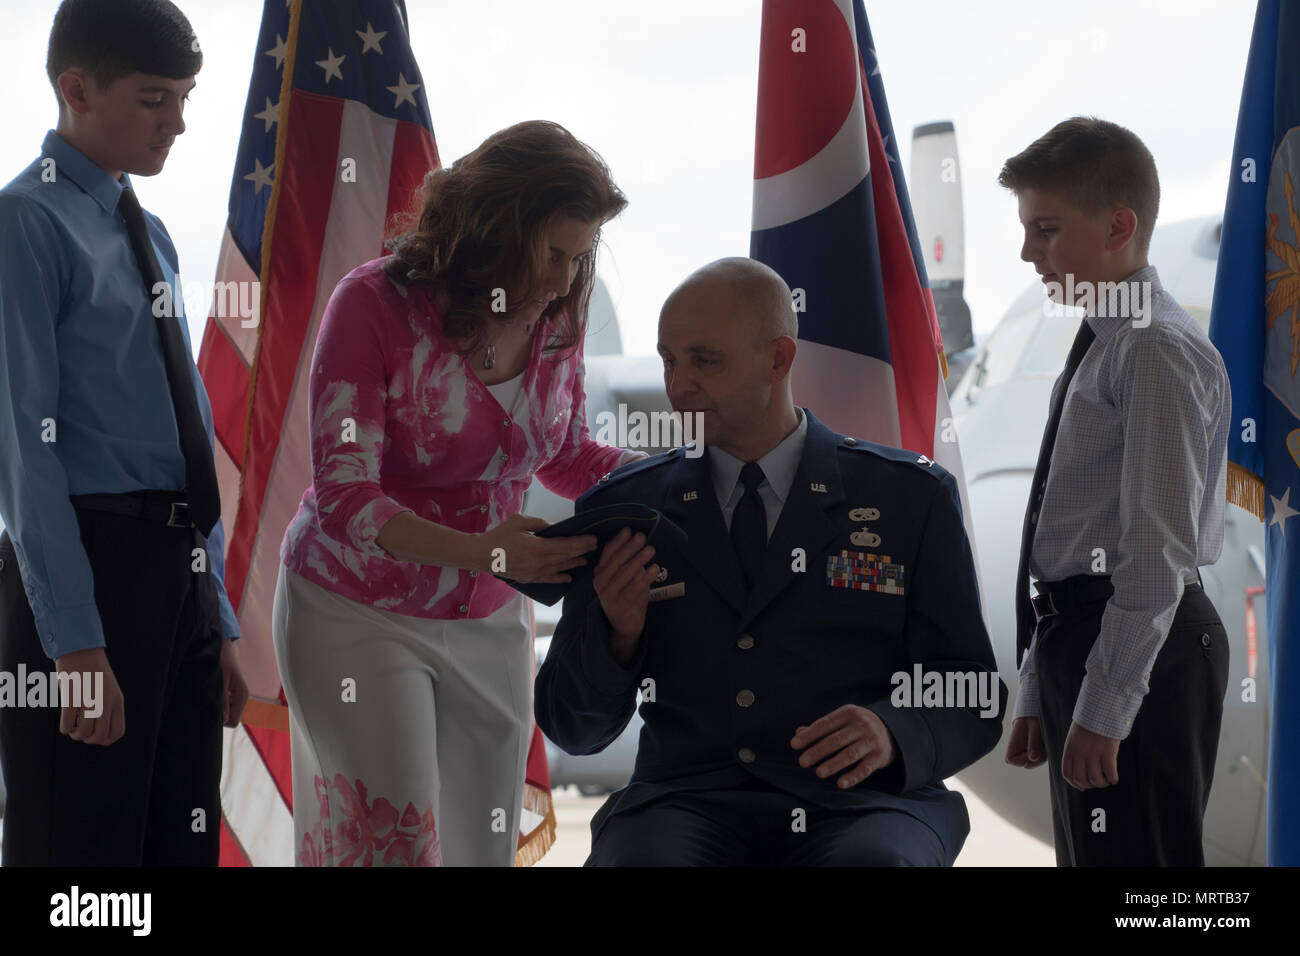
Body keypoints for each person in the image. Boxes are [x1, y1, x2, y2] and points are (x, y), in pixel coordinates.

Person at [535, 257, 1005, 866]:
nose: (679, 386)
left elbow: (969, 692)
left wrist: (894, 730)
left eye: (705, 361)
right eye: (669, 360)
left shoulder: (906, 499)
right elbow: (573, 727)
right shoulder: (626, 509)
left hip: (861, 801)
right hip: (688, 799)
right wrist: (615, 639)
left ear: (779, 359)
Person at [273, 120, 640, 867]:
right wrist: (483, 550)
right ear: (495, 229)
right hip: (356, 610)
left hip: (488, 616)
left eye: (580, 257)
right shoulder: (372, 305)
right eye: (553, 253)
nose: (568, 280)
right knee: (393, 847)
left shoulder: (557, 317)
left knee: (483, 848)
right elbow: (345, 495)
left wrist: (686, 473)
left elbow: (565, 457)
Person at [0, 0, 248, 866]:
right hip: (90, 571)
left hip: (176, 579)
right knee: (83, 868)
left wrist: (211, 618)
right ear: (75, 88)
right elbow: (25, 457)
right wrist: (76, 640)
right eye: (153, 98)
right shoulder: (23, 225)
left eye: (184, 96)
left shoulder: (155, 237)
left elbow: (186, 437)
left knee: (176, 851)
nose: (178, 121)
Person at [999, 117, 1232, 866]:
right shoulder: (1107, 341)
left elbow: (1155, 552)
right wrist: (1043, 682)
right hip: (1091, 639)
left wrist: (1107, 704)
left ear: (1118, 226)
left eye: (1045, 228)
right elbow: (1071, 536)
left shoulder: (1153, 349)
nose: (1028, 251)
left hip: (1141, 650)